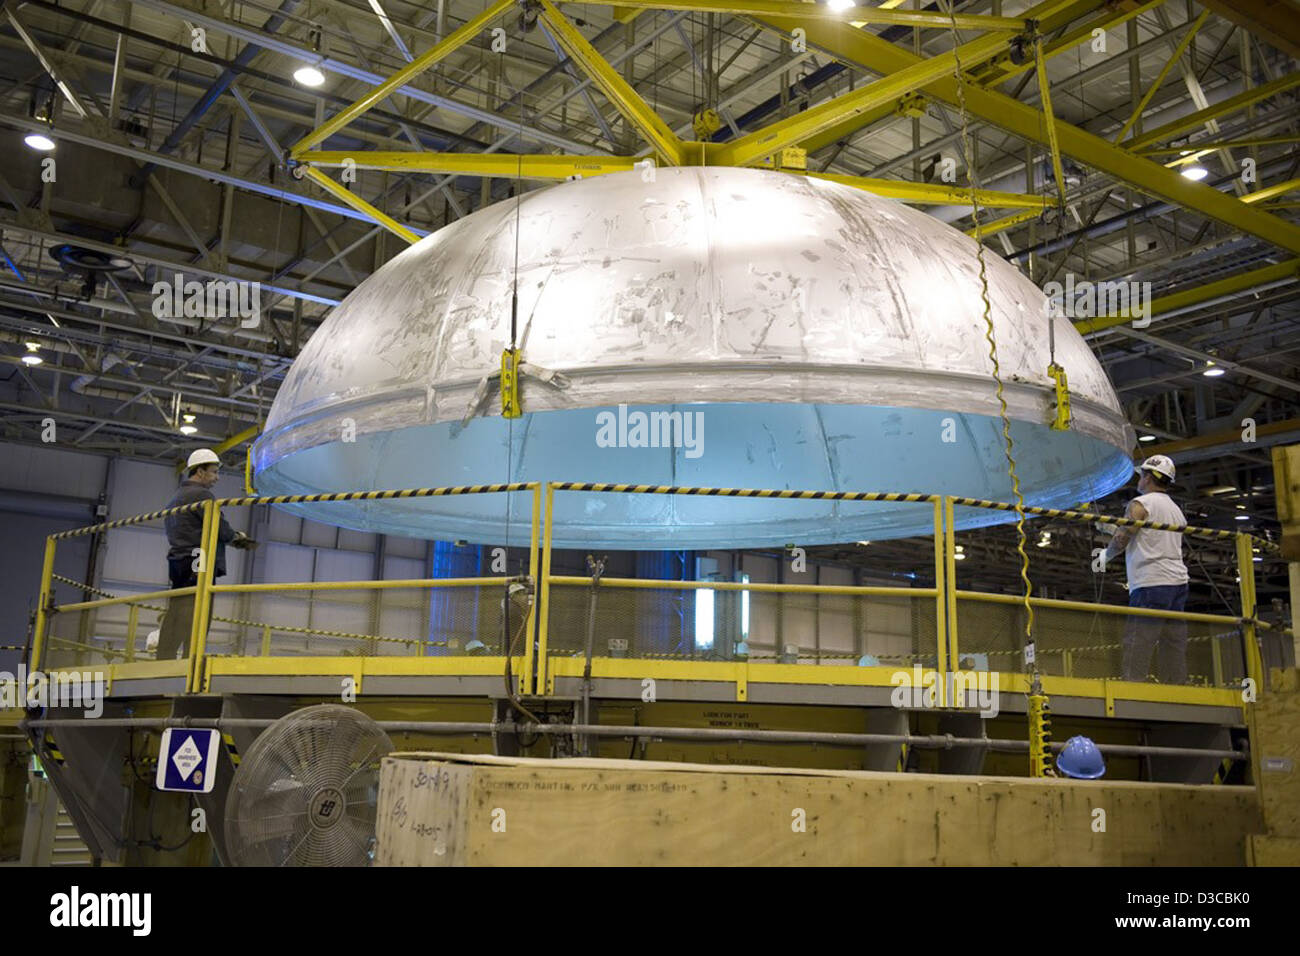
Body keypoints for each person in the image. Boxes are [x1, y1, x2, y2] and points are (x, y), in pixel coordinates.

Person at [156, 449, 256, 660]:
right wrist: (236, 538)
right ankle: (191, 658)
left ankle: (165, 657)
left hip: (178, 559)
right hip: (197, 558)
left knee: (177, 608)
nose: (217, 478)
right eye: (213, 472)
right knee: (198, 610)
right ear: (200, 472)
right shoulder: (201, 495)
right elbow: (220, 528)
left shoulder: (176, 498)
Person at [1103, 454, 1190, 683]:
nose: (1139, 479)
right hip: (1178, 584)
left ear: (1149, 477)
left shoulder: (1141, 504)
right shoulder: (1175, 510)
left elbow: (1123, 539)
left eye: (1142, 475)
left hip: (1151, 583)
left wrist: (1105, 556)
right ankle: (1177, 690)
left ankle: (1133, 690)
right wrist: (1111, 528)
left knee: (1138, 641)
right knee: (1173, 642)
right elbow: (1148, 537)